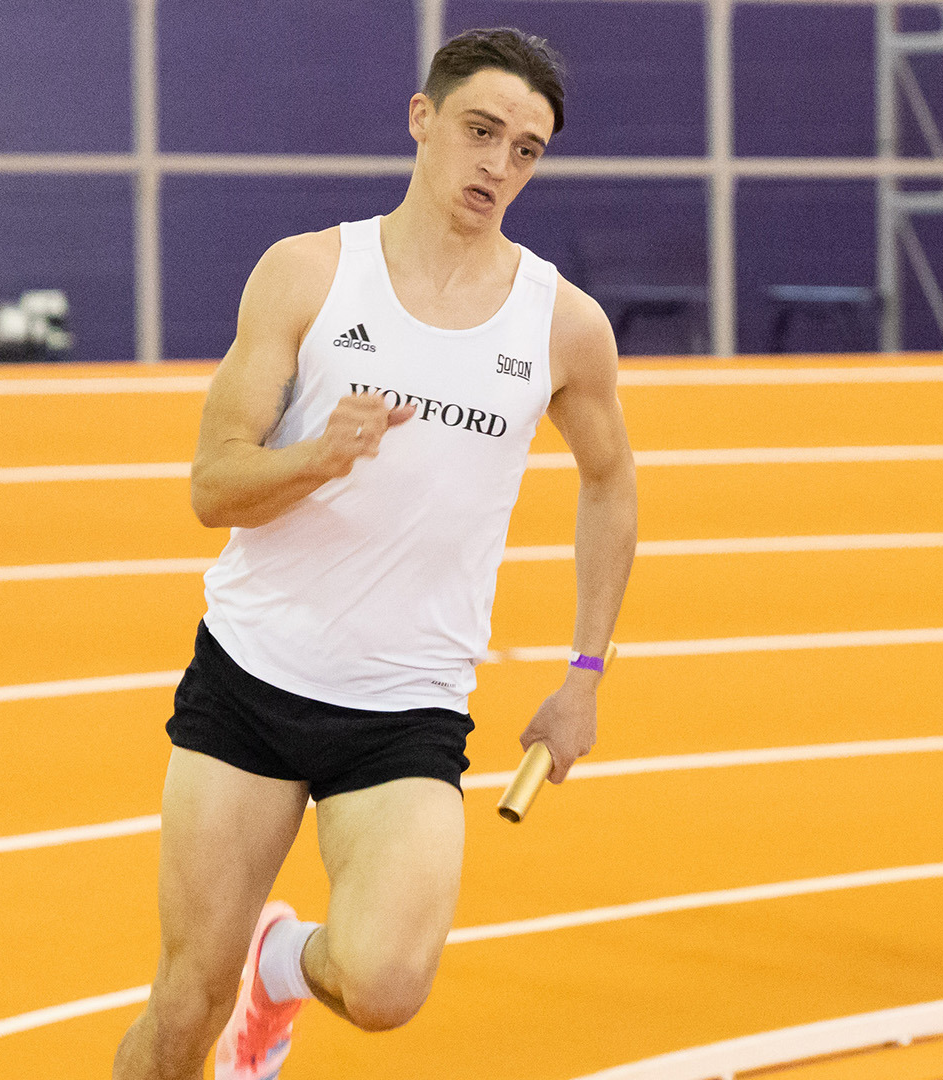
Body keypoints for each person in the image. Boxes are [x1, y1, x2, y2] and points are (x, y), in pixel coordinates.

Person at [112, 27, 638, 1080]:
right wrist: (318, 457)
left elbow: (609, 478)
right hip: (253, 683)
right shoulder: (308, 275)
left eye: (526, 149)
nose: (498, 164)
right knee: (183, 1008)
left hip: (406, 709)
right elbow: (212, 490)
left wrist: (584, 674)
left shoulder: (562, 326)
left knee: (387, 987)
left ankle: (285, 970)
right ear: (422, 120)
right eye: (481, 131)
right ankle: (235, 985)